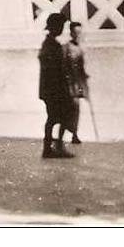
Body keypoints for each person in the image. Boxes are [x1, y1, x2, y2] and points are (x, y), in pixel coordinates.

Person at [38, 12, 73, 158]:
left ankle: (51, 147)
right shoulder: (51, 45)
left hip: (51, 89)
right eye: (61, 26)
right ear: (55, 26)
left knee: (54, 117)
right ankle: (54, 147)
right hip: (54, 89)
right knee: (57, 117)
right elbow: (54, 69)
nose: (62, 29)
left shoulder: (50, 44)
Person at [63, 21, 90, 144]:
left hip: (78, 82)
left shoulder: (80, 48)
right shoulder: (66, 47)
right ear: (71, 33)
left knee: (76, 108)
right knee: (71, 108)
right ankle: (66, 133)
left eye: (80, 32)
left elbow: (81, 66)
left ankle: (74, 134)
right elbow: (63, 66)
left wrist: (84, 75)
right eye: (76, 32)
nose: (78, 35)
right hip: (69, 82)